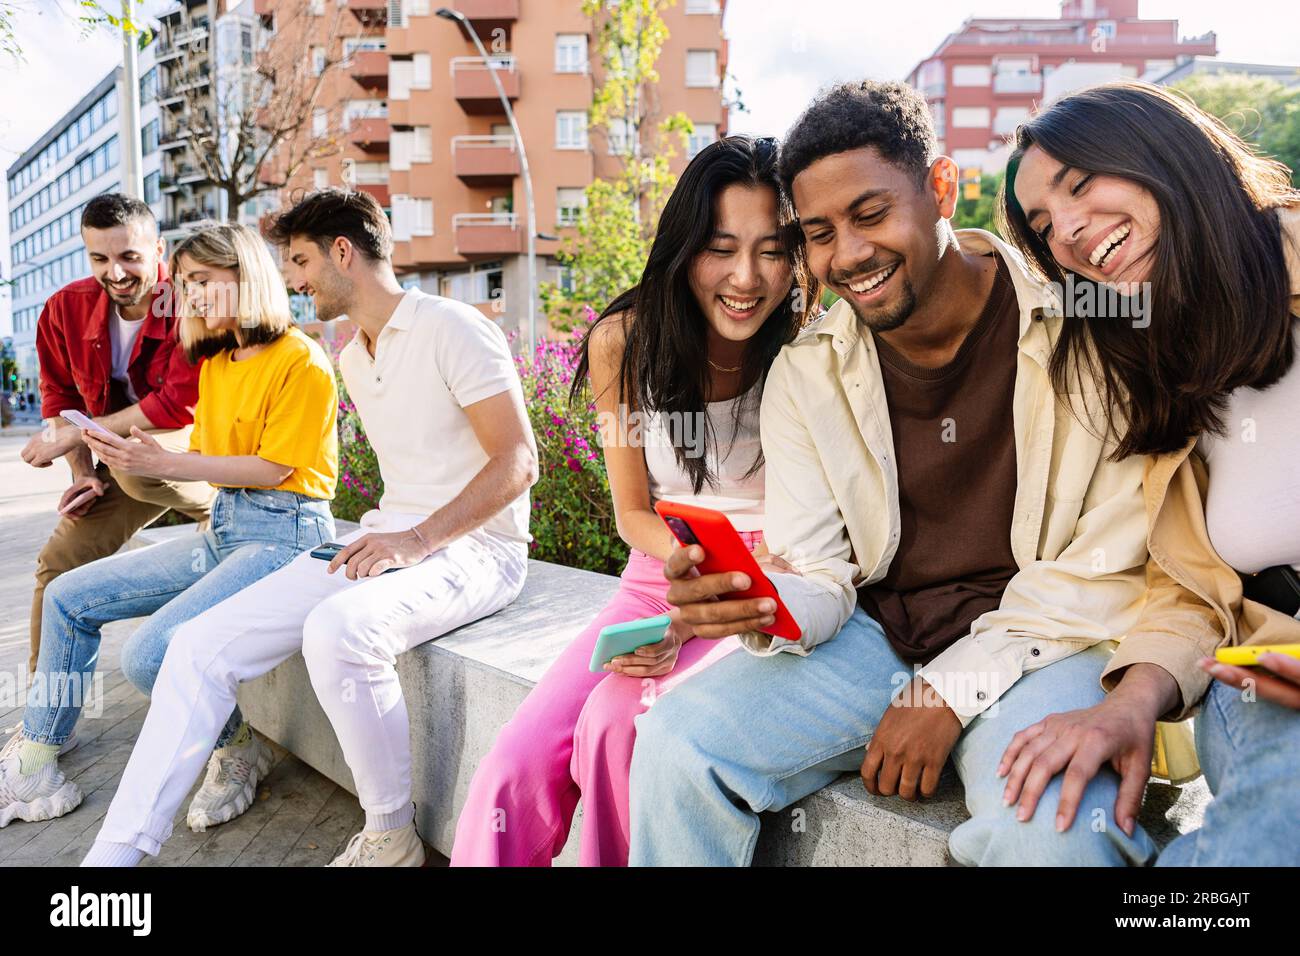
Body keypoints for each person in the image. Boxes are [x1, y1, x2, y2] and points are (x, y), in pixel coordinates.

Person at [624, 79, 1184, 867]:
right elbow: (822, 569)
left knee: (1049, 834)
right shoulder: (806, 373)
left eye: (870, 214)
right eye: (817, 233)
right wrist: (763, 605)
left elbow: (1110, 566)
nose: (847, 255)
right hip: (877, 639)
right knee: (677, 743)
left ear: (942, 188)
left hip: (1048, 641)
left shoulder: (1084, 330)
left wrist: (950, 691)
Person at [84, 188, 537, 868]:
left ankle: (390, 834)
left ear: (343, 252)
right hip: (389, 538)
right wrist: (396, 537)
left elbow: (519, 461)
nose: (292, 279)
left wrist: (415, 540)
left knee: (339, 630)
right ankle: (114, 858)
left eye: (299, 260)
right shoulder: (355, 356)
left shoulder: (452, 327)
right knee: (196, 646)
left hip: (476, 548)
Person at [451, 136, 814, 866]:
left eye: (773, 251)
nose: (747, 277)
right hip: (662, 579)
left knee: (619, 729)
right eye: (721, 248)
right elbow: (632, 513)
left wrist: (716, 597)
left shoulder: (809, 345)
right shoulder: (627, 340)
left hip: (766, 593)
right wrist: (686, 574)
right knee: (513, 766)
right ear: (684, 248)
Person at [996, 81, 1300, 865]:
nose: (1065, 230)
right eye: (1041, 225)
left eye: (1079, 183)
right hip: (1273, 678)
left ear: (1161, 155)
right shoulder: (1153, 371)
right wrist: (1130, 704)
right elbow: (1191, 587)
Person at [1, 221, 339, 832]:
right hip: (227, 531)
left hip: (288, 536)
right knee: (67, 595)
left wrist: (165, 462)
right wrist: (124, 450)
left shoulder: (302, 360)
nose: (189, 295)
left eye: (203, 280)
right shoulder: (217, 361)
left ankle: (237, 749)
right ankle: (36, 755)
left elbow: (275, 467)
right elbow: (210, 458)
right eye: (183, 283)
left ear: (247, 277)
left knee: (152, 653)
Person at [18, 194, 213, 674]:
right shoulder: (65, 308)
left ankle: (219, 505)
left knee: (130, 461)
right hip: (124, 465)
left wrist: (76, 438)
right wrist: (82, 472)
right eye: (100, 258)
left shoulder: (189, 302)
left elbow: (176, 403)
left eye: (129, 257)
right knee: (58, 562)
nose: (116, 273)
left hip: (201, 454)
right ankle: (46, 715)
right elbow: (59, 395)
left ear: (159, 250)